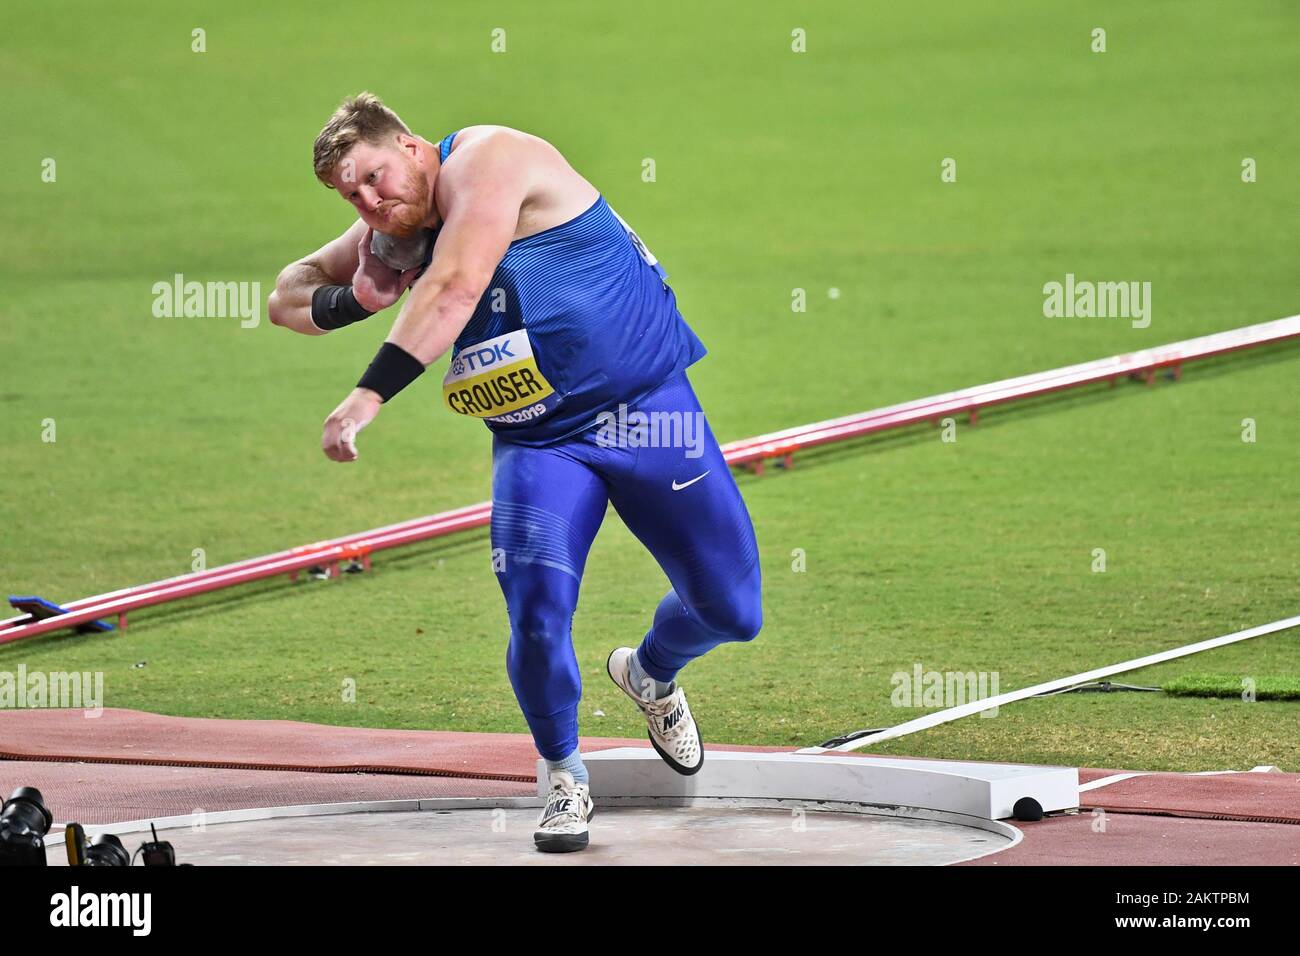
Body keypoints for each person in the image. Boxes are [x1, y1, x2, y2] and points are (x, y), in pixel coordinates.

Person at [268, 93, 762, 852]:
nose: (369, 202)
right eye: (350, 197)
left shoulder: (491, 160)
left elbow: (456, 284)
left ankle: (651, 673)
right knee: (537, 614)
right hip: (539, 443)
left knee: (733, 611)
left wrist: (367, 396)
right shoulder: (389, 223)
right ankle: (564, 777)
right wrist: (355, 297)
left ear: (409, 144)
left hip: (648, 413)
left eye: (372, 176)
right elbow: (285, 297)